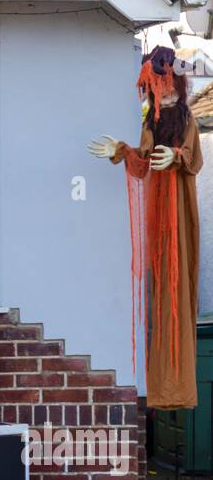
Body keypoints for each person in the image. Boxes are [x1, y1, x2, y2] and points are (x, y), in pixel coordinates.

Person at [89, 45, 203, 408]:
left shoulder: (187, 119)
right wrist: (121, 151)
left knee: (176, 282)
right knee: (158, 288)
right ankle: (161, 388)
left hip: (178, 208)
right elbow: (140, 164)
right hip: (157, 211)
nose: (164, 91)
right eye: (157, 85)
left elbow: (193, 157)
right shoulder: (150, 123)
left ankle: (178, 388)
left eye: (167, 84)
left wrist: (178, 157)